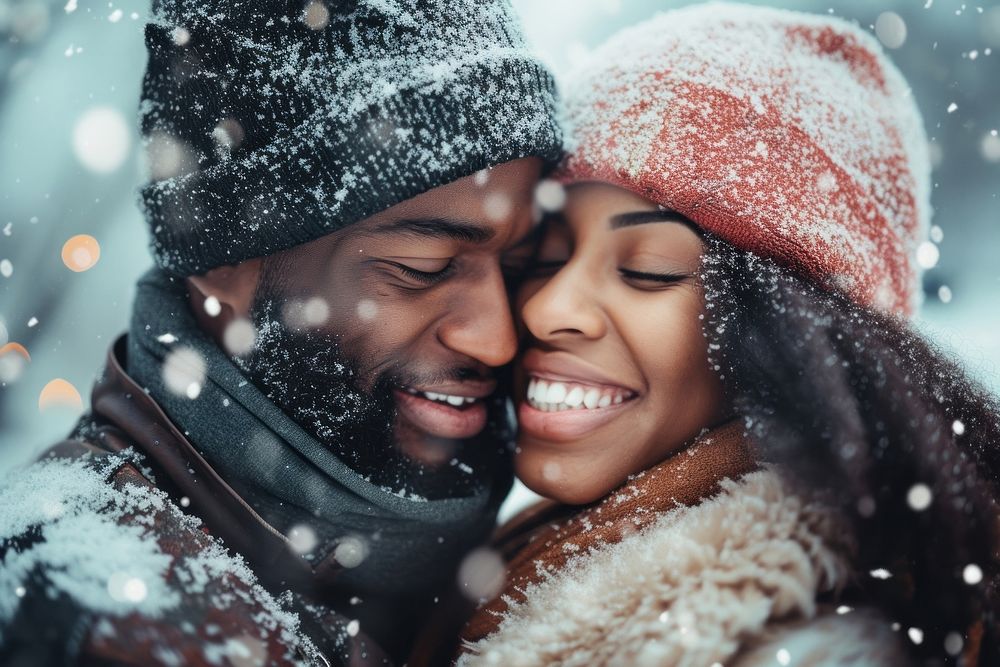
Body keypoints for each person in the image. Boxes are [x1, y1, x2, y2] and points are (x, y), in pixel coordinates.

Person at [0, 0, 561, 665]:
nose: (496, 339)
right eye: (423, 269)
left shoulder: (516, 578)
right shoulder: (94, 613)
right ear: (221, 260)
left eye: (522, 265)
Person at [453, 5, 1000, 665]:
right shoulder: (535, 557)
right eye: (542, 259)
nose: (547, 308)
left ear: (794, 339)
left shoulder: (806, 644)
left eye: (647, 269)